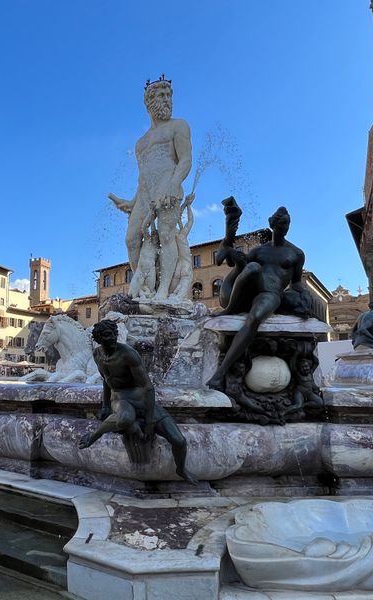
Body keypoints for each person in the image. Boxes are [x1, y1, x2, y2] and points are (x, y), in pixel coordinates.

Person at [206, 201, 311, 391]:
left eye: (287, 224)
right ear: (272, 225)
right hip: (248, 291)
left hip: (271, 293)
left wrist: (304, 295)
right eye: (280, 224)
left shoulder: (296, 253)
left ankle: (220, 373)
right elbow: (226, 260)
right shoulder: (259, 251)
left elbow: (296, 282)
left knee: (253, 319)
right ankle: (229, 309)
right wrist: (233, 252)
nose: (284, 228)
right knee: (252, 266)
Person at [78, 319, 197, 484]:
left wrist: (149, 422)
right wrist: (105, 405)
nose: (112, 338)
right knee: (125, 418)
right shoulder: (97, 355)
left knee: (179, 440)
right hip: (121, 399)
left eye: (113, 334)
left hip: (141, 400)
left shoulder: (128, 354)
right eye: (107, 335)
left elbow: (148, 388)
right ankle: (94, 436)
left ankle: (181, 468)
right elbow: (106, 380)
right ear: (98, 339)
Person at [109, 75, 192, 302]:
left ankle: (164, 289)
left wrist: (173, 184)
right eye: (162, 95)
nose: (167, 100)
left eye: (169, 95)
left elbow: (185, 160)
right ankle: (144, 288)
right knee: (131, 238)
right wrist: (133, 201)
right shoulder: (141, 143)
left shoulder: (179, 126)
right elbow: (142, 177)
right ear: (149, 102)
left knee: (166, 235)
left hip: (169, 187)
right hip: (146, 194)